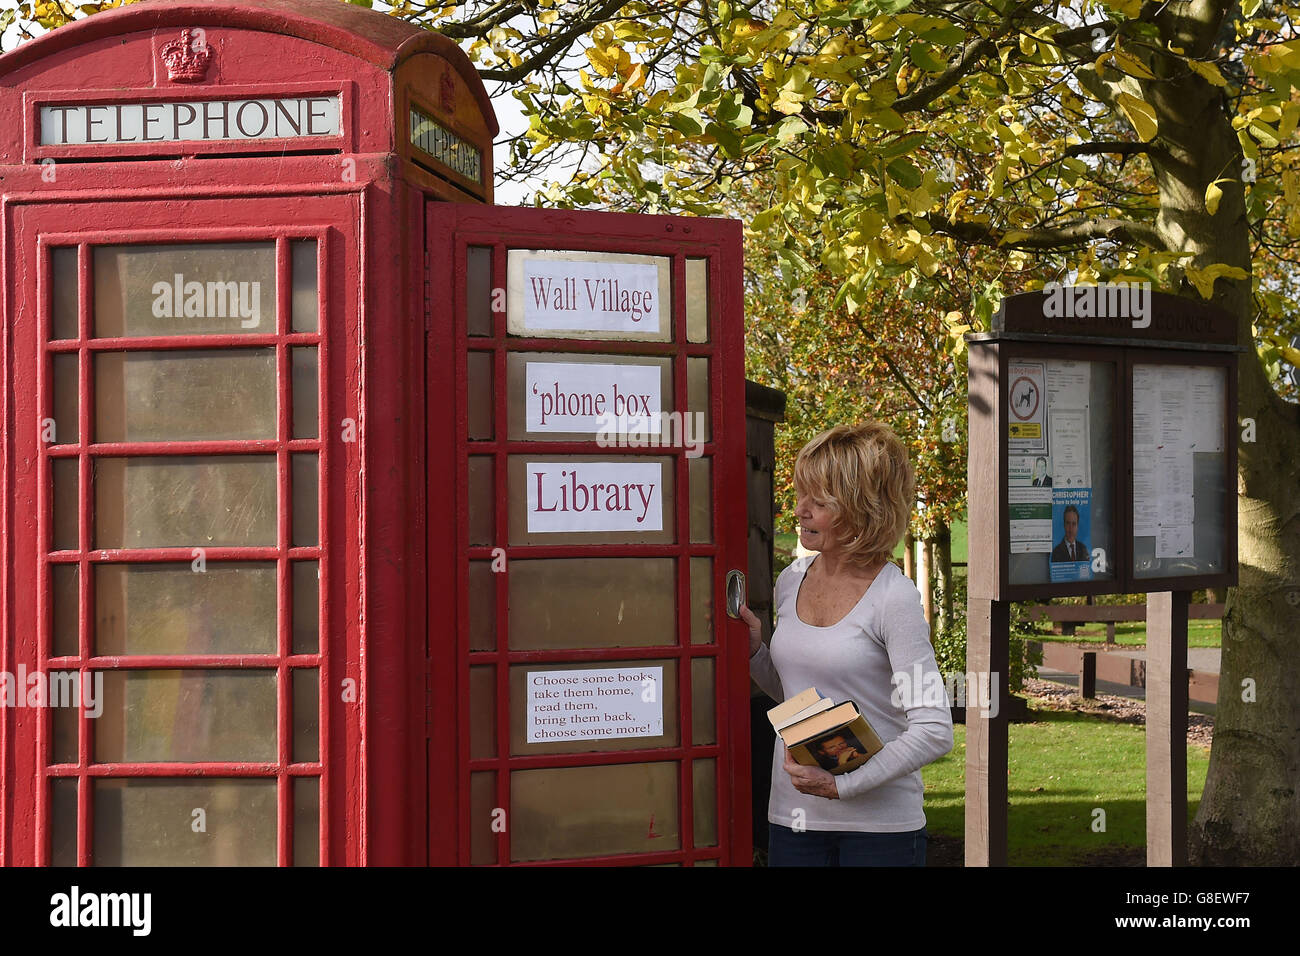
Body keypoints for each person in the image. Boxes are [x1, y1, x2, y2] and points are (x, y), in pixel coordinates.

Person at [740, 422, 953, 867]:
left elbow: (934, 729)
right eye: (801, 495)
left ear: (862, 510)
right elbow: (798, 698)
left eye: (818, 502)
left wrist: (842, 786)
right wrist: (757, 654)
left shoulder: (893, 597)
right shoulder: (790, 581)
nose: (800, 510)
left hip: (878, 833)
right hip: (794, 821)